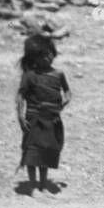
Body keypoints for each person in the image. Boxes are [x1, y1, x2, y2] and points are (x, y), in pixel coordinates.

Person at [16, 33, 71, 194]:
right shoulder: (30, 76)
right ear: (34, 58)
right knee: (32, 151)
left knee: (47, 152)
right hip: (33, 118)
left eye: (49, 54)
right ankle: (33, 186)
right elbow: (21, 96)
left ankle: (43, 185)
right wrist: (20, 115)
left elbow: (68, 92)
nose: (47, 58)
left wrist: (65, 102)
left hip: (52, 118)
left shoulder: (58, 74)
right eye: (42, 56)